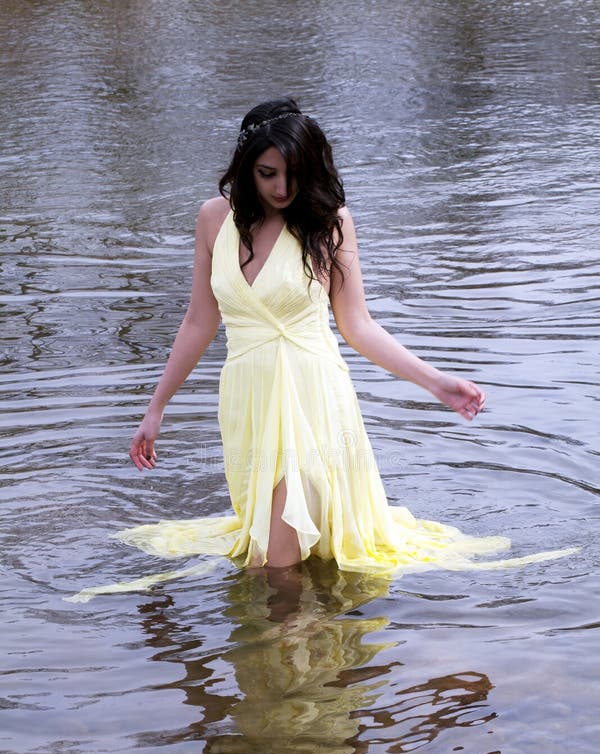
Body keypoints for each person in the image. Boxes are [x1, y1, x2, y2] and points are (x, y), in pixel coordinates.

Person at [120, 98, 568, 579]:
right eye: (268, 174)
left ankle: (295, 625)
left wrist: (436, 382)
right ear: (247, 168)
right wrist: (156, 408)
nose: (282, 188)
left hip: (312, 397)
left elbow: (358, 325)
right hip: (247, 400)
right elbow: (198, 321)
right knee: (274, 551)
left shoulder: (329, 222)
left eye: (293, 174)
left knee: (275, 566)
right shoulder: (213, 219)